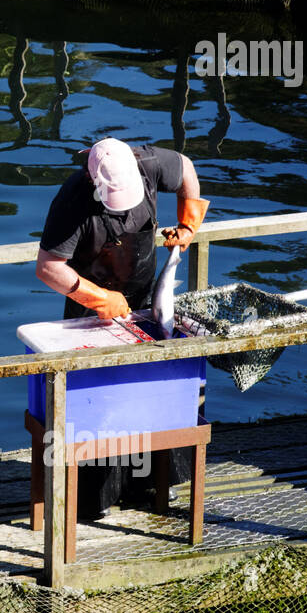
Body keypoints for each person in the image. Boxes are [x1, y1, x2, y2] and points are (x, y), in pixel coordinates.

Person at [35, 137, 210, 517]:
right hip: (91, 305)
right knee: (100, 397)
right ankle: (94, 496)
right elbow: (48, 268)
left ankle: (152, 483)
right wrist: (100, 298)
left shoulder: (148, 162)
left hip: (146, 297)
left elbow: (188, 171)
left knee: (151, 389)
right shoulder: (73, 198)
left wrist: (188, 222)